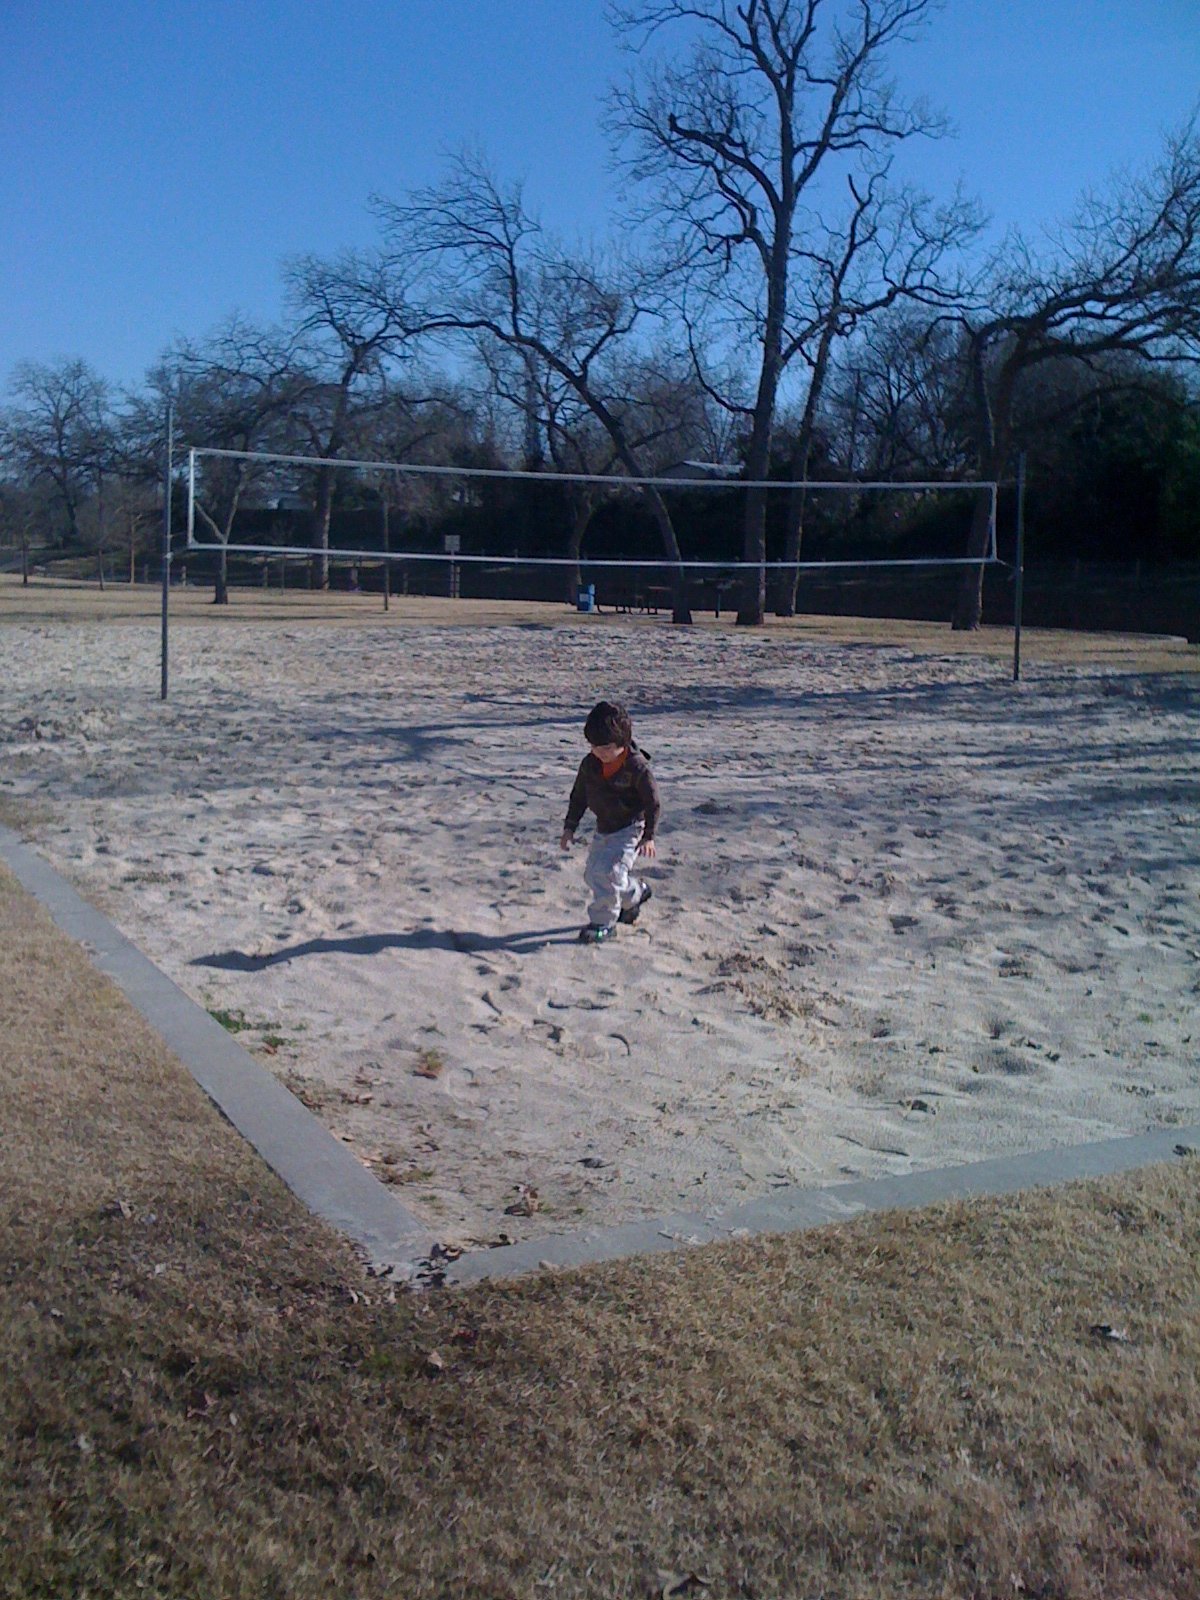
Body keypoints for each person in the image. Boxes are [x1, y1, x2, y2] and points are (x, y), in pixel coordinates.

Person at [560, 701, 660, 944]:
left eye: (605, 748)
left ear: (622, 744)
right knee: (593, 874)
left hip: (630, 829)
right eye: (594, 747)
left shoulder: (637, 768)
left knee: (610, 872)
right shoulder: (590, 765)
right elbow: (579, 796)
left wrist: (649, 836)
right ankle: (634, 894)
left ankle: (604, 922)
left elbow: (653, 802)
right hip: (604, 827)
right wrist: (569, 827)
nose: (599, 753)